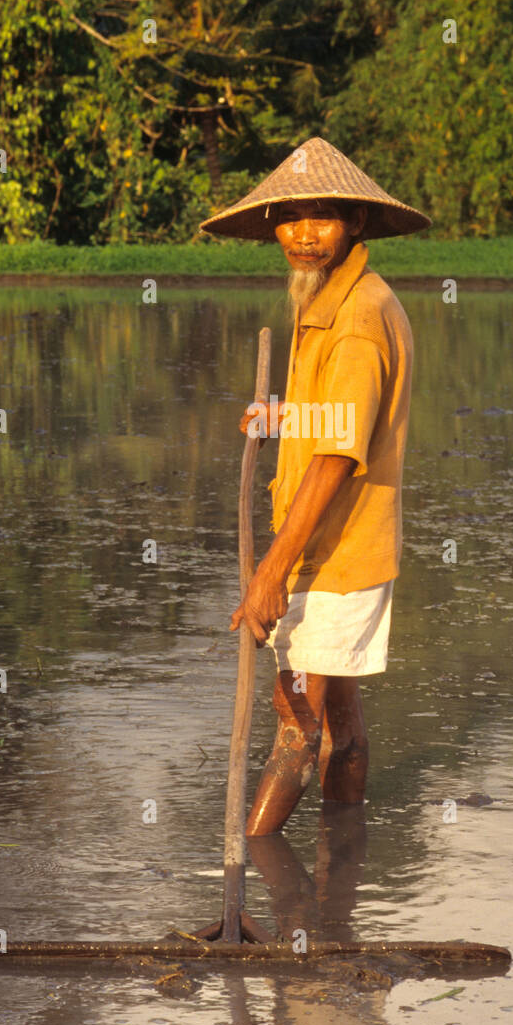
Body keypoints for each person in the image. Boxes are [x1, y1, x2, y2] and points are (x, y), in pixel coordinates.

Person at [199, 136, 430, 835]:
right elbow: (335, 419)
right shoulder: (332, 297)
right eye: (290, 218)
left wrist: (272, 571)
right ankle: (340, 877)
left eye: (322, 217)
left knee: (294, 725)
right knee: (339, 720)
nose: (303, 234)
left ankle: (252, 860)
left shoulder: (357, 319)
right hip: (346, 550)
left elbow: (335, 457)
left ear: (355, 223)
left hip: (330, 556)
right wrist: (280, 416)